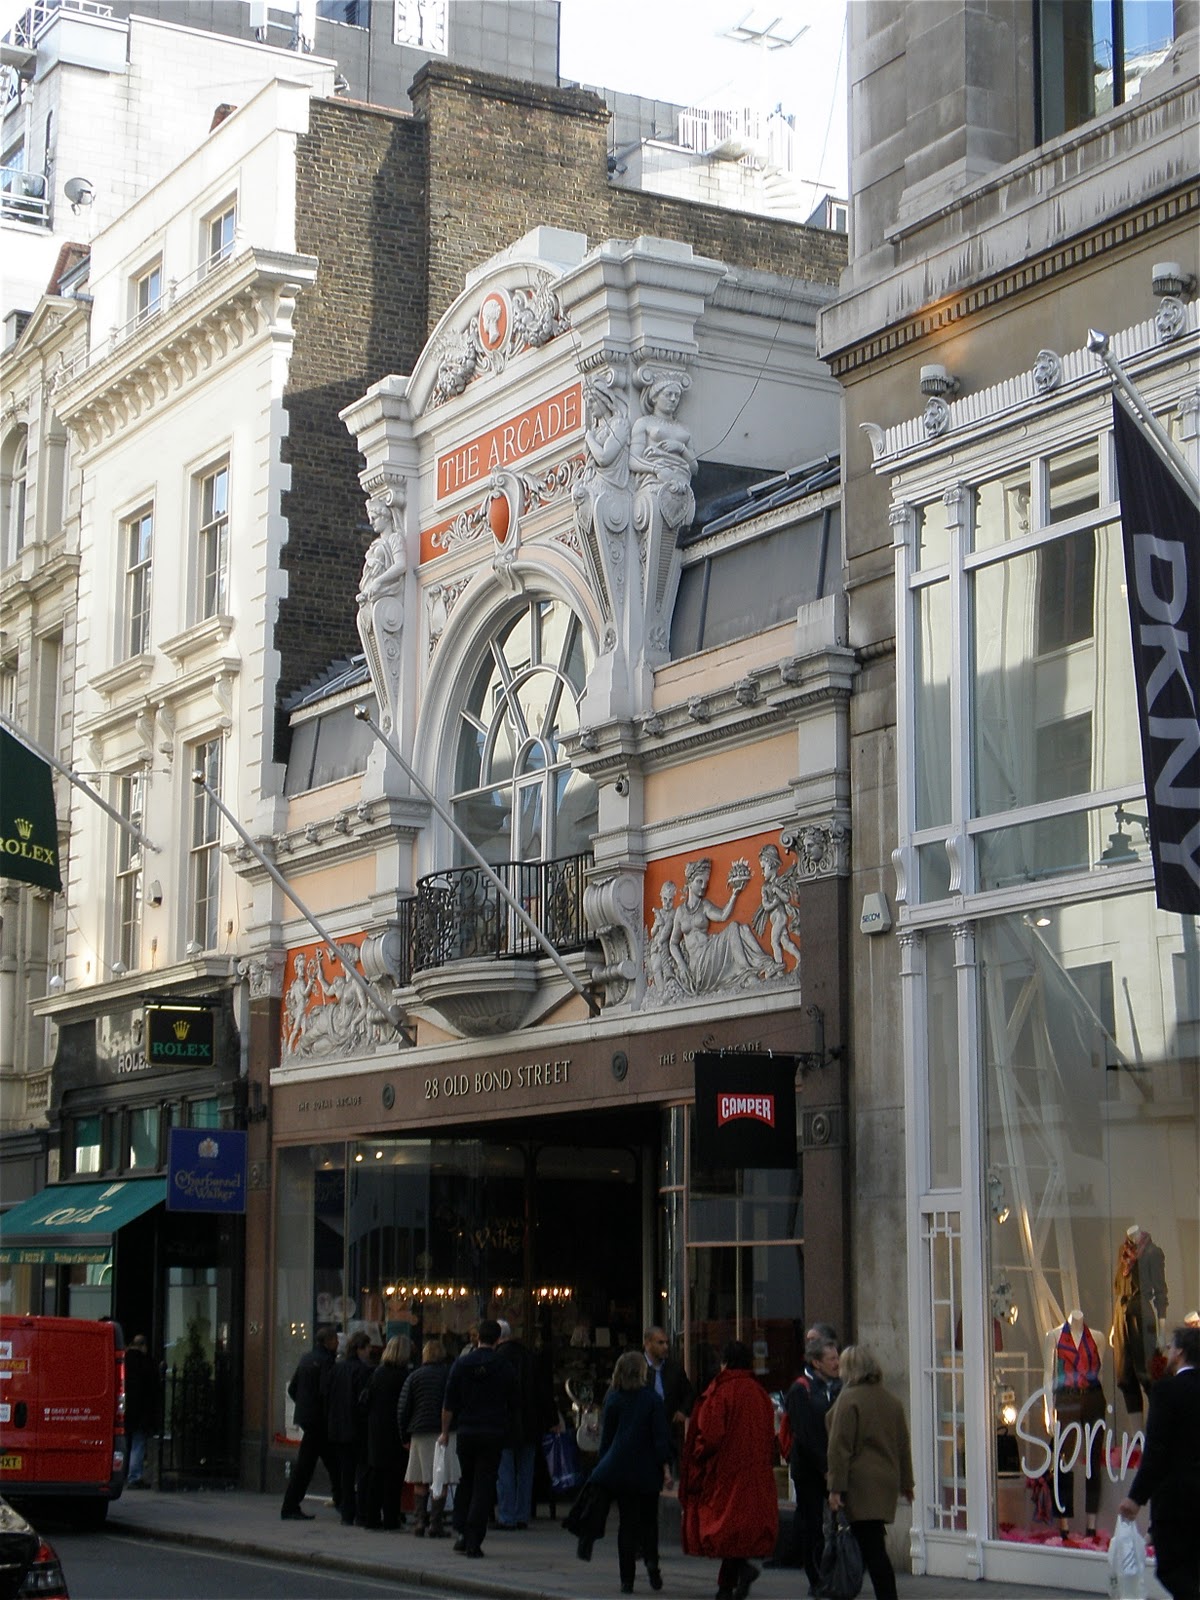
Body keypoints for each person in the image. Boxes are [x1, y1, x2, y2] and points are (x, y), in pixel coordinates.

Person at [679, 1339, 778, 1600]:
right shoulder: (759, 1393)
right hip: (754, 1472)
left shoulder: (721, 1392)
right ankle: (728, 1584)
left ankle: (733, 1579)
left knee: (722, 1528)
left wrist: (697, 1456)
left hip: (726, 1471)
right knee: (739, 1531)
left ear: (725, 1363)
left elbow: (709, 1435)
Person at [1118, 1325, 1200, 1600]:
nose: (1167, 1352)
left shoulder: (1166, 1392)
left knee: (1175, 1572)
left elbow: (1157, 1451)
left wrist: (1135, 1498)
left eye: (1170, 1347)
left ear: (1179, 1352)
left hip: (1177, 1501)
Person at [825, 1345, 914, 1600]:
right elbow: (902, 1444)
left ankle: (882, 1595)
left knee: (871, 1547)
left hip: (859, 1482)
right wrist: (907, 1482)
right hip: (885, 1480)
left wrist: (835, 1487)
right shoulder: (890, 1401)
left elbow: (839, 1448)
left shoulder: (849, 1400)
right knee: (871, 1540)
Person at [590, 1350, 672, 1595]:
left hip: (621, 1470)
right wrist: (665, 1468)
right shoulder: (652, 1400)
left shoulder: (614, 1399)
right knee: (649, 1521)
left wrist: (602, 1466)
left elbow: (607, 1440)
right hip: (647, 1470)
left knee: (627, 1524)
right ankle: (652, 1563)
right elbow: (660, 1439)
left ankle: (627, 1579)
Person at [440, 1318, 518, 1559]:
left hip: (467, 1429)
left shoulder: (462, 1364)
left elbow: (449, 1402)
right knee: (484, 1485)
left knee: (467, 1480)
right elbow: (514, 1401)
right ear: (498, 1339)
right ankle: (474, 1537)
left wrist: (444, 1432)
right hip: (493, 1430)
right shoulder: (504, 1366)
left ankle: (462, 1531)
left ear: (477, 1338)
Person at [782, 1333, 842, 1584]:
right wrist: (824, 1467)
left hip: (833, 1465)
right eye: (831, 1359)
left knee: (836, 1524)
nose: (837, 1363)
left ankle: (836, 1572)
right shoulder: (800, 1390)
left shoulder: (838, 1387)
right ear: (816, 1363)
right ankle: (815, 1576)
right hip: (809, 1468)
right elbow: (805, 1434)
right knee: (813, 1523)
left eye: (837, 1357)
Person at [495, 1318, 552, 1531]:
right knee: (525, 1471)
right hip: (530, 1421)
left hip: (506, 1422)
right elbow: (543, 1391)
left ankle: (506, 1514)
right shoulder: (529, 1357)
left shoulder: (498, 1359)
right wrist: (551, 1419)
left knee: (505, 1471)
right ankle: (522, 1514)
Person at [399, 1337, 458, 1537]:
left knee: (420, 1479)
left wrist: (404, 1436)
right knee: (439, 1479)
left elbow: (403, 1408)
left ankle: (419, 1522)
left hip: (419, 1431)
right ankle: (436, 1524)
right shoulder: (448, 1375)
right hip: (444, 1432)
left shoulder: (414, 1376)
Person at [281, 1325, 340, 1520]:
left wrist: (305, 1406)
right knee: (323, 1465)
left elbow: (293, 1389)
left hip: (308, 1419)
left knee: (317, 1464)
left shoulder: (306, 1358)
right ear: (328, 1342)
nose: (338, 1343)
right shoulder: (327, 1361)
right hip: (320, 1421)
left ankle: (291, 1505)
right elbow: (326, 1392)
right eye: (335, 1339)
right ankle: (291, 1505)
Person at [362, 1334, 411, 1530]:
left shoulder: (377, 1373)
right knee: (393, 1477)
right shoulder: (403, 1376)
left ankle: (371, 1517)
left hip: (376, 1428)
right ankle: (391, 1518)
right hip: (395, 1429)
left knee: (376, 1474)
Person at [327, 1329, 373, 1526]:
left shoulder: (337, 1368)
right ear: (360, 1349)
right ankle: (361, 1512)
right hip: (358, 1428)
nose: (370, 1352)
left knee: (345, 1472)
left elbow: (326, 1395)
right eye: (368, 1347)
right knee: (361, 1471)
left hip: (338, 1427)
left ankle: (347, 1512)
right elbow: (364, 1401)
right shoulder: (363, 1371)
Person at [642, 1323, 693, 1471]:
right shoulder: (637, 1367)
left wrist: (683, 1411)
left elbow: (689, 1392)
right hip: (645, 1431)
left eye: (667, 1343)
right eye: (660, 1343)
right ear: (647, 1343)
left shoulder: (674, 1368)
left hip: (668, 1428)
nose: (665, 1347)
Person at [123, 1334, 159, 1489]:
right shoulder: (146, 1362)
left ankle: (121, 1474)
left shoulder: (124, 1360)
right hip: (140, 1410)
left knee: (124, 1443)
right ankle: (134, 1476)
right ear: (143, 1346)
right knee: (138, 1443)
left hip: (124, 1408)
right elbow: (152, 1388)